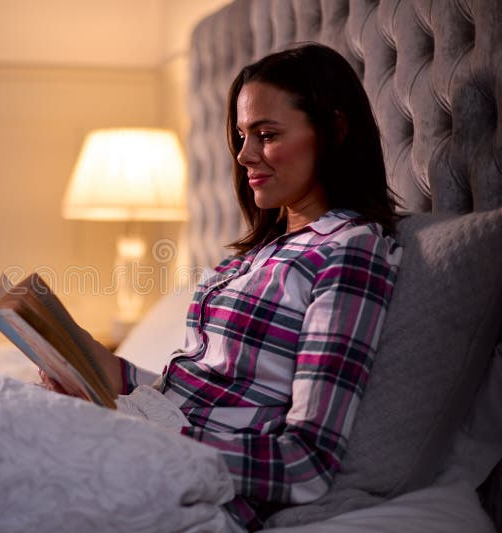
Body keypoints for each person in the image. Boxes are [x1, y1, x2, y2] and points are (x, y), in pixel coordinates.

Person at [43, 43, 403, 532]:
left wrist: (145, 438)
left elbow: (306, 463)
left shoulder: (348, 251)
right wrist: (97, 369)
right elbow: (206, 386)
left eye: (266, 134)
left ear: (334, 131)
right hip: (149, 432)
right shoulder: (260, 252)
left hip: (188, 478)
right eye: (241, 134)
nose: (243, 153)